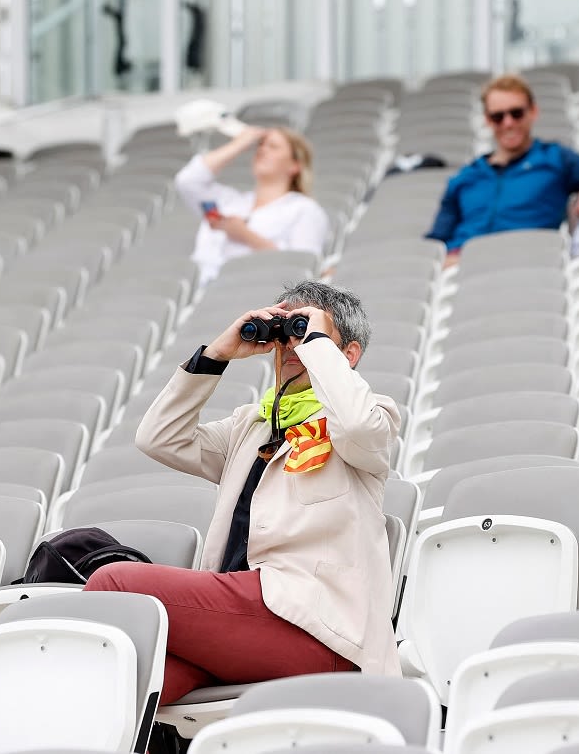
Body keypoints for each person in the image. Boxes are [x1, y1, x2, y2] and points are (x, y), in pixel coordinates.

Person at [85, 281, 399, 702]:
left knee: (115, 584)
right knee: (128, 679)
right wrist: (217, 354)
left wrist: (318, 343)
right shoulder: (250, 425)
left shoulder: (372, 417)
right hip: (245, 619)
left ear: (348, 354)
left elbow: (357, 425)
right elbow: (158, 437)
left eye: (304, 333)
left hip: (321, 629)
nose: (292, 347)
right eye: (287, 336)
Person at [426, 74, 579, 260]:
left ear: (533, 112)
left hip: (527, 264)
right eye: (498, 117)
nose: (508, 123)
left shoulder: (555, 158)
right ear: (487, 121)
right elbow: (436, 242)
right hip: (462, 268)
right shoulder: (465, 177)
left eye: (516, 113)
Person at [174, 126, 329, 285]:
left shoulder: (304, 209)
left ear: (294, 166)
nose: (262, 150)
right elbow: (188, 181)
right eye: (260, 145)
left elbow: (304, 268)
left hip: (254, 295)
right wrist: (239, 144)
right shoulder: (228, 202)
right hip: (202, 295)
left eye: (273, 147)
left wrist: (245, 235)